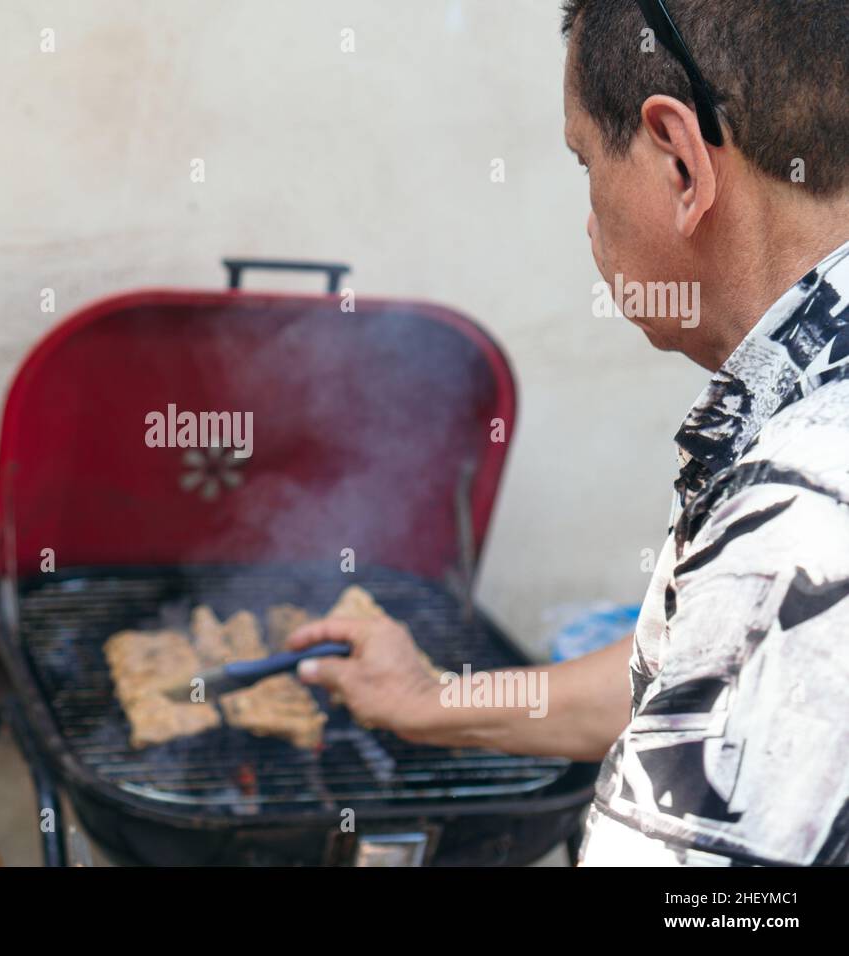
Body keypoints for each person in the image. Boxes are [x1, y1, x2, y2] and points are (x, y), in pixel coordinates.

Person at [290, 0, 849, 866]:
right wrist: (428, 697)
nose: (588, 219)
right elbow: (708, 677)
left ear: (680, 161)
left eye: (585, 160)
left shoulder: (803, 513)